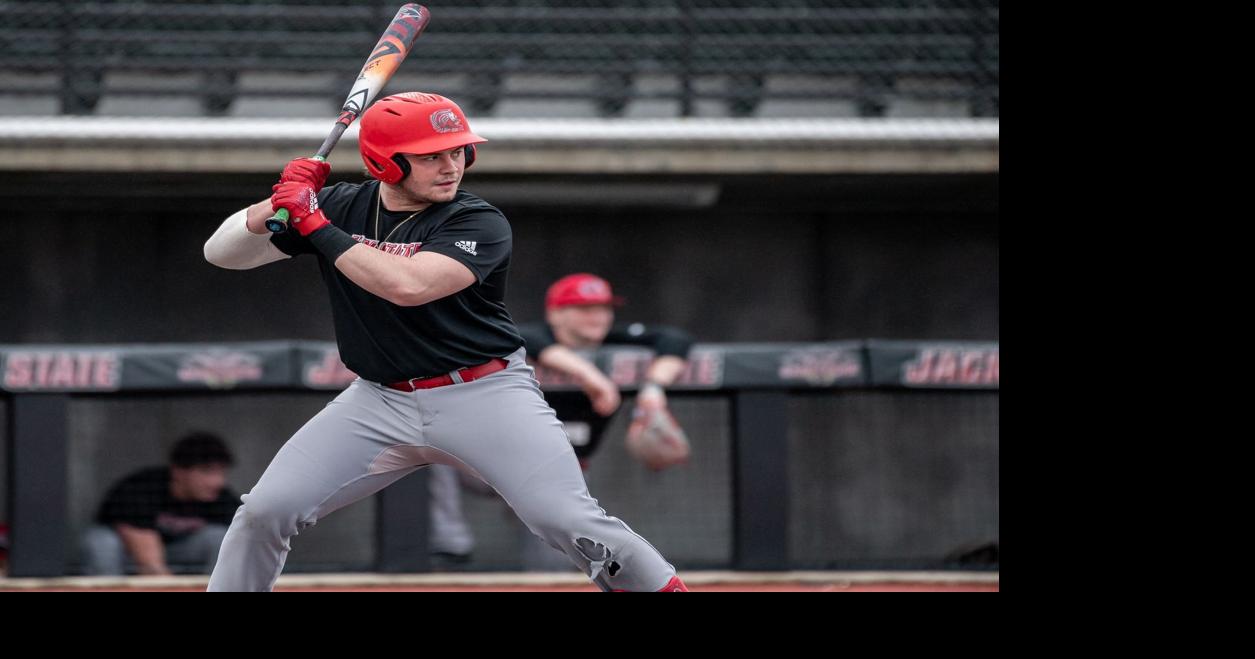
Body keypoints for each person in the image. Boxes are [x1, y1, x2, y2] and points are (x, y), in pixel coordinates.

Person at [201, 92, 687, 592]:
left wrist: (314, 222)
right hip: (379, 399)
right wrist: (275, 203)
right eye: (432, 155)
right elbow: (222, 254)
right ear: (386, 162)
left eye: (457, 151)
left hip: (484, 393)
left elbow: (409, 286)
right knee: (263, 512)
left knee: (568, 521)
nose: (451, 165)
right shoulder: (340, 204)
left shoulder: (478, 220)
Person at [429, 273, 694, 569]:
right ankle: (450, 546)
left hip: (554, 476)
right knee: (432, 453)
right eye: (584, 309)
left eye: (603, 308)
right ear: (555, 314)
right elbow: (527, 338)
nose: (598, 317)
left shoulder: (614, 342)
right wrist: (589, 375)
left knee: (552, 570)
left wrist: (653, 388)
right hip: (490, 463)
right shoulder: (524, 339)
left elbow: (675, 339)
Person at [80, 432, 239, 576]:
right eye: (207, 471)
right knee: (101, 542)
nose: (217, 481)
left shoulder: (221, 497)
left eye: (221, 473)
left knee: (220, 536)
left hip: (178, 555)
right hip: (130, 556)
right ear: (178, 471)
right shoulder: (142, 488)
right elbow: (150, 564)